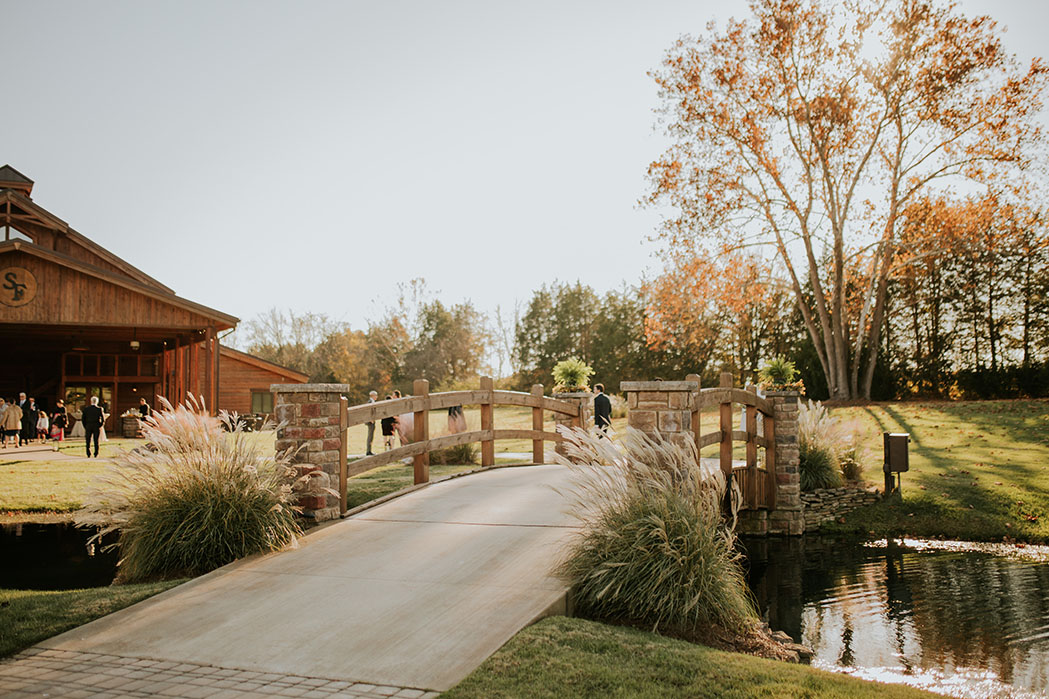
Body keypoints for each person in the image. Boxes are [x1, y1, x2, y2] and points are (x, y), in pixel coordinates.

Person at [365, 390, 378, 456]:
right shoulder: (370, 402)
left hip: (372, 421)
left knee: (371, 436)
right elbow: (368, 411)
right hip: (370, 422)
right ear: (373, 396)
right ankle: (368, 451)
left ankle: (369, 450)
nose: (377, 396)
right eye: (376, 395)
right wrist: (371, 419)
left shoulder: (372, 401)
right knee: (370, 436)